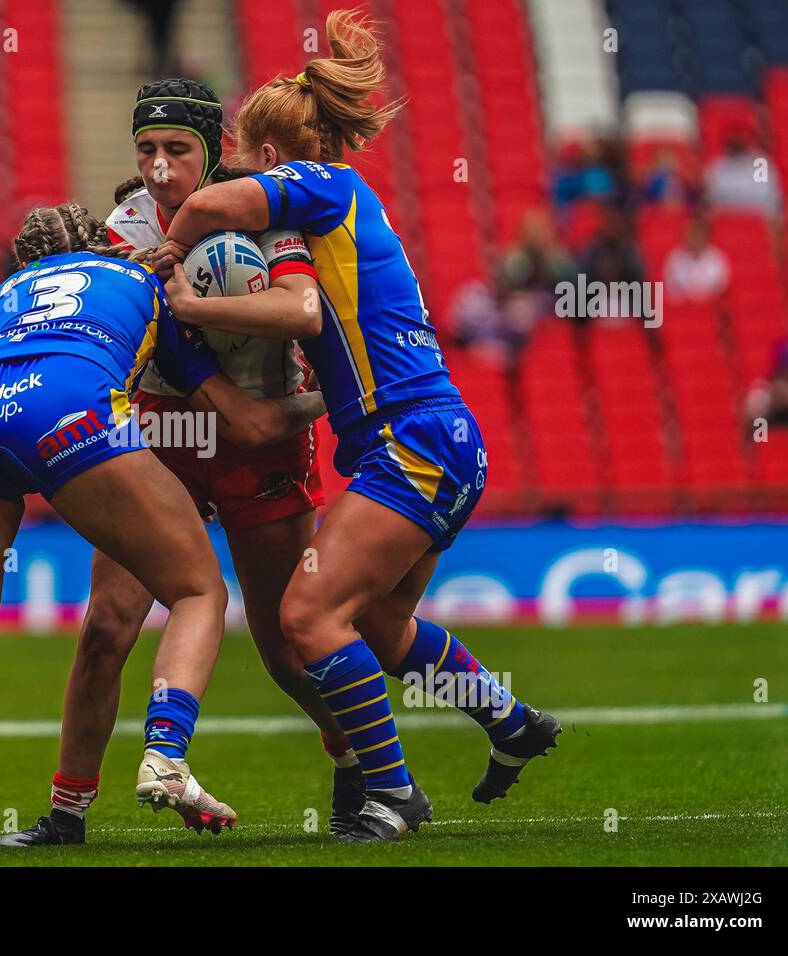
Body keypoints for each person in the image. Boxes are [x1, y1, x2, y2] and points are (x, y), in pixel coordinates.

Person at [0, 203, 328, 854]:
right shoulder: (146, 285)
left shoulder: (9, 292)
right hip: (68, 407)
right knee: (198, 592)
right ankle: (164, 756)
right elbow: (251, 424)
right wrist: (332, 393)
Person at [151, 9, 561, 843]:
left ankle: (395, 796)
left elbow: (209, 207)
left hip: (410, 440)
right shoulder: (352, 209)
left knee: (306, 619)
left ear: (271, 158)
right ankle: (511, 722)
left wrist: (174, 257)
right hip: (436, 439)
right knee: (376, 622)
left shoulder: (325, 186)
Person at [0, 79, 367, 849]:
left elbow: (303, 310)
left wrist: (190, 308)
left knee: (285, 645)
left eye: (177, 149)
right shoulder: (121, 229)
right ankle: (67, 813)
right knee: (106, 624)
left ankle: (364, 769)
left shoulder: (260, 211)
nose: (160, 166)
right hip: (162, 433)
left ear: (211, 153)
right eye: (147, 150)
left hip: (261, 437)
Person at [663, 217, 730, 306]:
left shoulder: (717, 258)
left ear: (707, 237)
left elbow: (720, 287)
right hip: (682, 309)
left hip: (710, 307)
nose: (695, 238)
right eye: (692, 234)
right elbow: (671, 287)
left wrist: (701, 298)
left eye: (699, 234)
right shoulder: (674, 257)